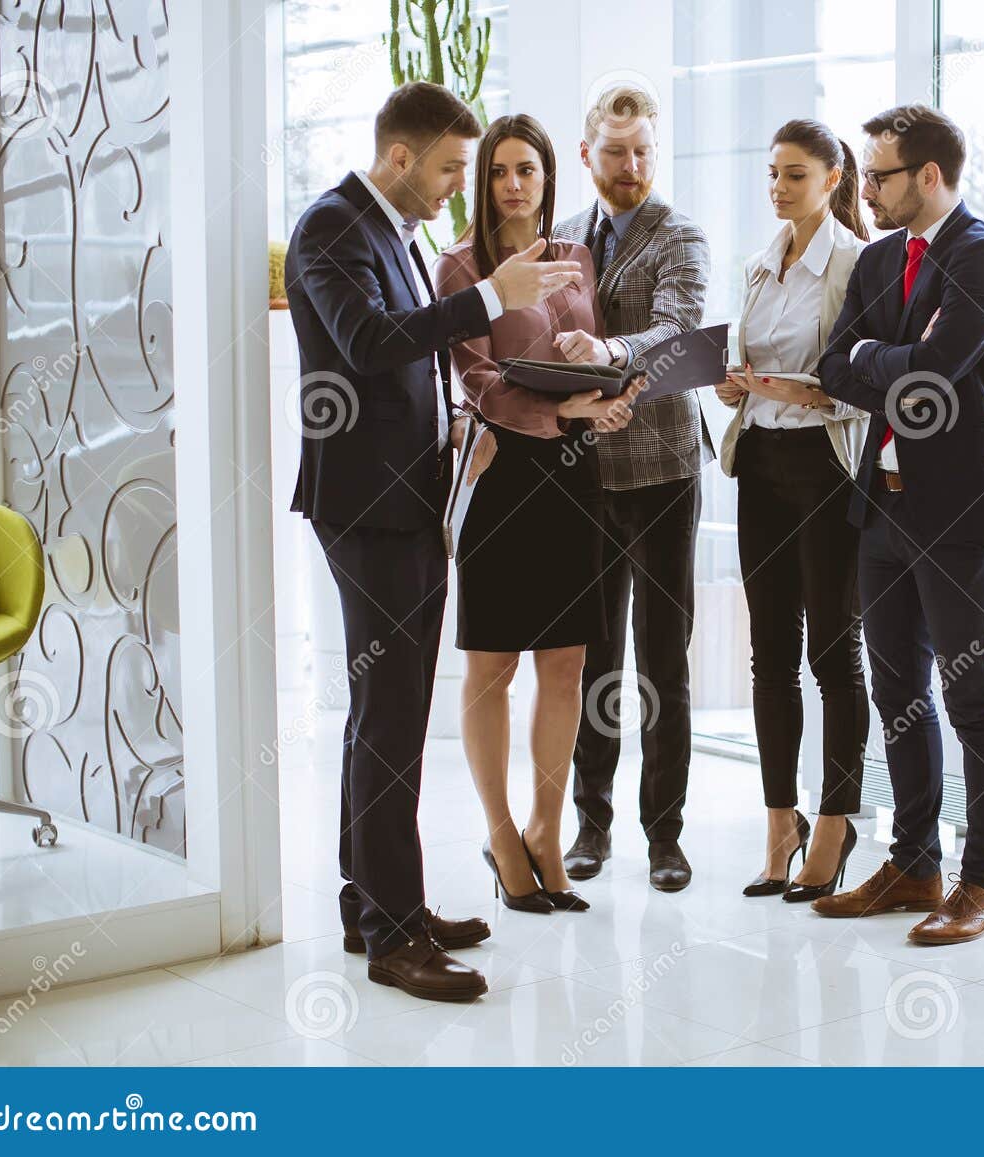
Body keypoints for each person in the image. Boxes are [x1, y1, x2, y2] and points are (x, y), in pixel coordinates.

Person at [285, 82, 584, 1001]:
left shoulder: (396, 236)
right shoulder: (334, 227)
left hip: (408, 499)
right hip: (366, 507)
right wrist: (495, 294)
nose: (463, 186)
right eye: (455, 166)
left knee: (390, 710)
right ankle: (393, 935)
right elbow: (370, 342)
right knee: (391, 715)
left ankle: (375, 903)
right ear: (401, 157)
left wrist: (451, 426)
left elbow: (405, 362)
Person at [812, 105, 984, 945]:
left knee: (970, 696)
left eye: (881, 175)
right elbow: (835, 367)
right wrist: (872, 363)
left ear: (929, 175)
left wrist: (873, 360)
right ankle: (913, 863)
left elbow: (933, 375)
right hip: (884, 504)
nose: (867, 188)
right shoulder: (875, 261)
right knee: (895, 690)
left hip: (960, 512)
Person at [436, 114, 643, 917]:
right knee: (493, 665)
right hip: (503, 474)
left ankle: (547, 833)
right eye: (500, 171)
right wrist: (571, 417)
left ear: (549, 178)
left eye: (528, 169)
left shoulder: (576, 257)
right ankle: (499, 831)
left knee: (566, 664)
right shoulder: (460, 267)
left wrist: (611, 395)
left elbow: (587, 351)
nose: (515, 184)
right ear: (484, 180)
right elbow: (478, 380)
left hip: (574, 478)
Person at [551, 84, 712, 892]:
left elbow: (676, 331)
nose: (631, 165)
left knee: (662, 660)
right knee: (593, 656)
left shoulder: (680, 234)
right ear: (587, 156)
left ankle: (665, 836)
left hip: (663, 472)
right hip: (584, 472)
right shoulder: (561, 239)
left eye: (643, 150)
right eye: (615, 152)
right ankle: (592, 824)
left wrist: (608, 352)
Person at [711, 119, 870, 902]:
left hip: (824, 467)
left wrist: (805, 390)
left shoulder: (852, 266)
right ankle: (781, 823)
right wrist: (734, 384)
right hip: (762, 466)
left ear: (833, 179)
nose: (779, 187)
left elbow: (861, 384)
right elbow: (745, 363)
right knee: (768, 654)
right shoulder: (759, 263)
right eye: (773, 172)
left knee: (833, 653)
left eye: (796, 174)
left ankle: (836, 825)